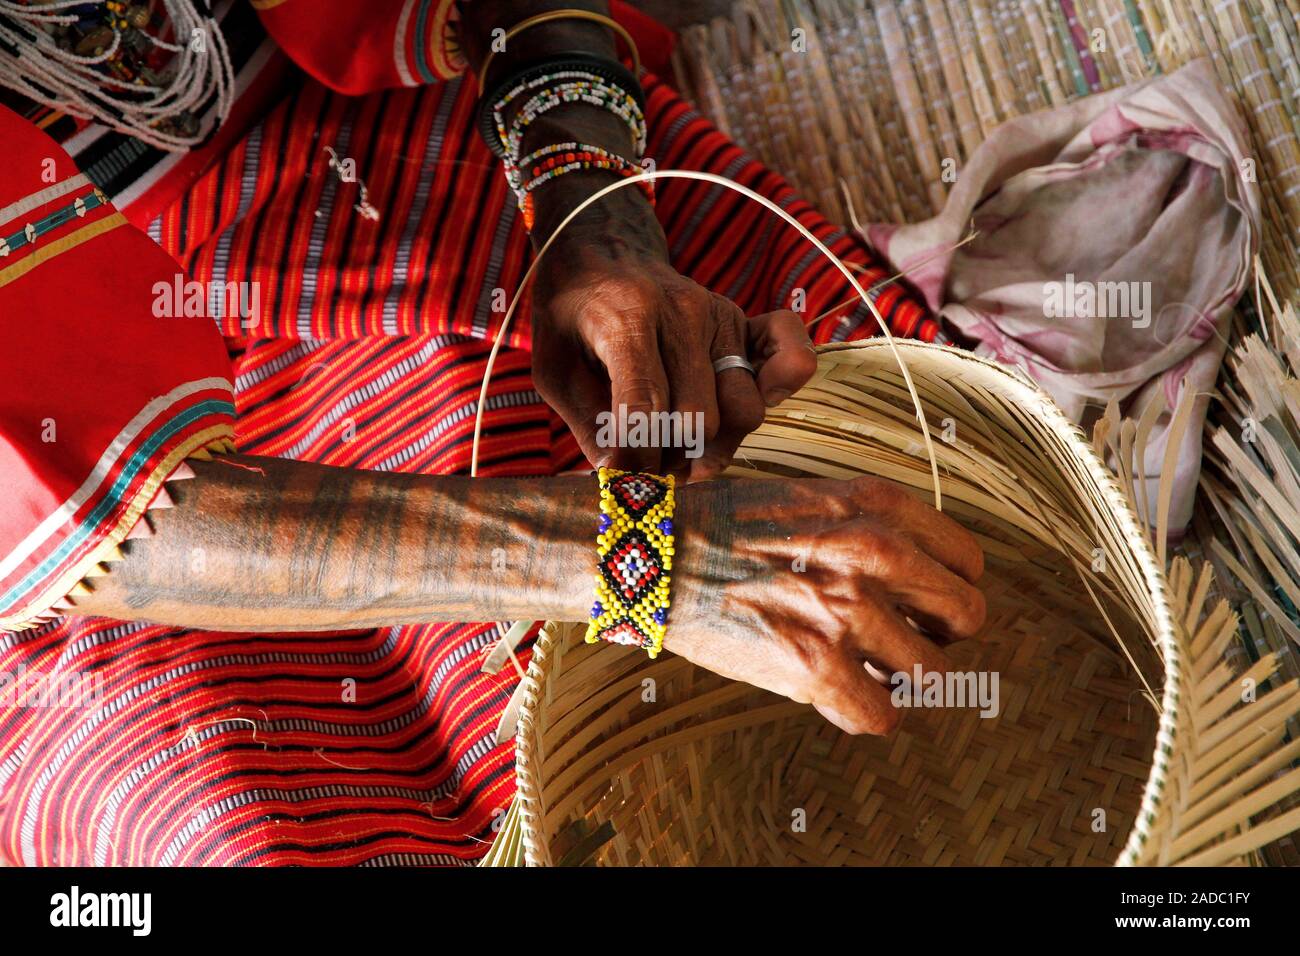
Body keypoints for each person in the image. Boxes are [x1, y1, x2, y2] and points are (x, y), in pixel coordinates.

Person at [0, 0, 982, 865]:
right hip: (95, 505)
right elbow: (58, 500)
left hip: (405, 132)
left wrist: (593, 220)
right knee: (224, 812)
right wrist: (647, 558)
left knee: (844, 434)